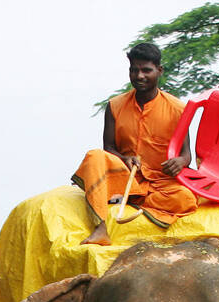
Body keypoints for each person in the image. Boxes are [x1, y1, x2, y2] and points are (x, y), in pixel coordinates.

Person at [73, 42, 196, 244]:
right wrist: (124, 158)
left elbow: (186, 154)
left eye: (146, 70)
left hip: (159, 183)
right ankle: (101, 227)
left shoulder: (178, 109)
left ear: (159, 71)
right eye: (134, 70)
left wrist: (180, 162)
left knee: (185, 199)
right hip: (124, 177)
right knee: (95, 155)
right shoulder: (115, 105)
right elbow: (109, 148)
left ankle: (137, 200)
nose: (139, 76)